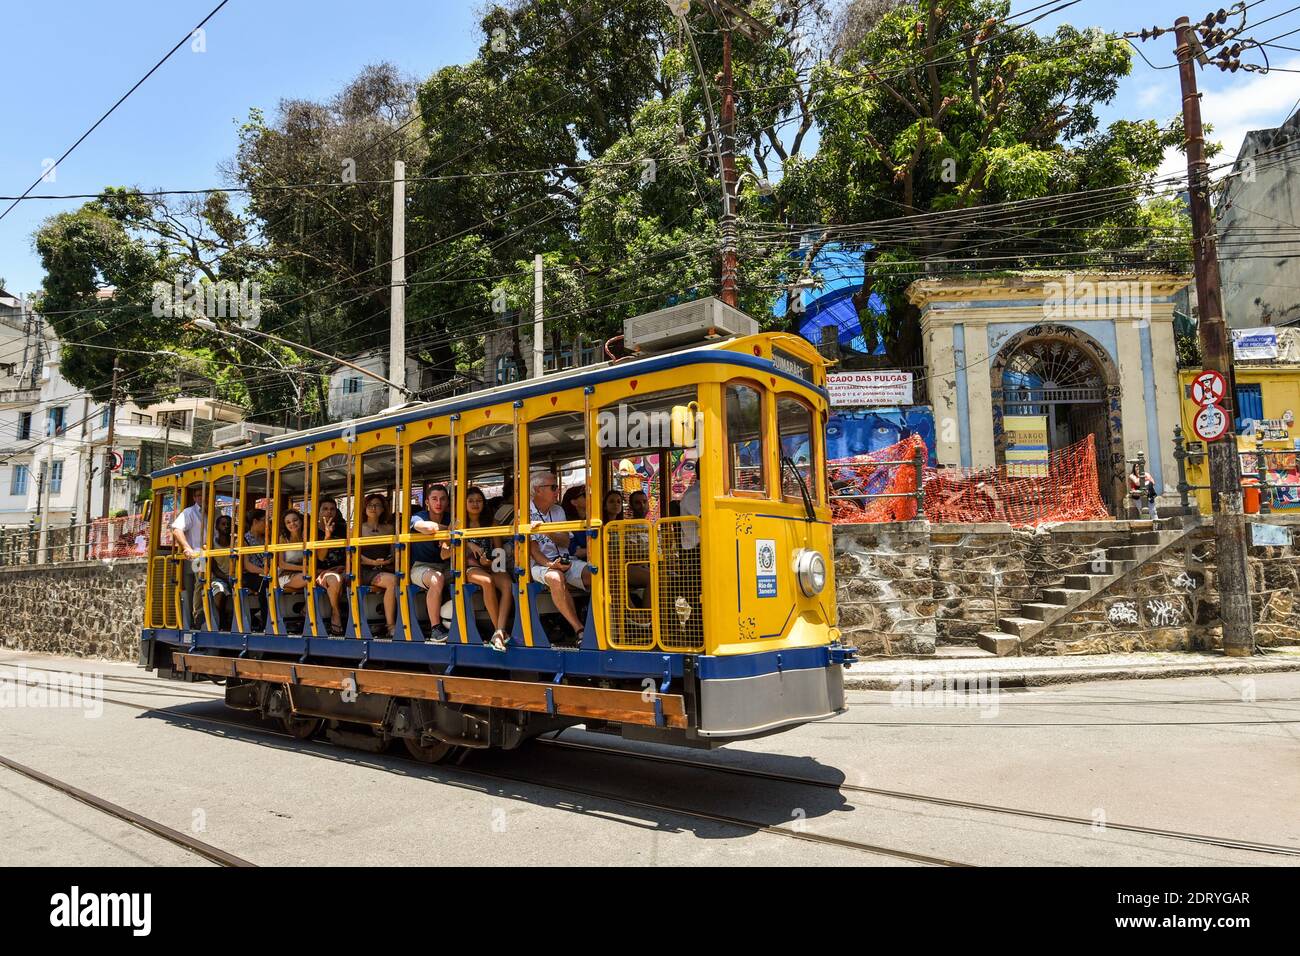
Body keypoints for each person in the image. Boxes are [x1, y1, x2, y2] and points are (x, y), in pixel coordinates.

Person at [528, 470, 590, 644]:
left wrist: (547, 530)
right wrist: (551, 565)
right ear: (538, 489)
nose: (557, 491)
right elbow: (533, 551)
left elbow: (564, 540)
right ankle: (580, 629)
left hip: (564, 560)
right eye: (553, 487)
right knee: (556, 578)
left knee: (595, 573)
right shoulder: (524, 512)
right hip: (540, 565)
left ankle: (603, 624)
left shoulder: (558, 510)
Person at [461, 486, 514, 651]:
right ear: (464, 503)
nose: (475, 504)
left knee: (507, 584)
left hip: (490, 565)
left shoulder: (492, 523)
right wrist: (468, 543)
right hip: (469, 567)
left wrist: (490, 563)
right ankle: (498, 631)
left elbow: (498, 552)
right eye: (471, 501)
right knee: (487, 581)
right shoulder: (459, 523)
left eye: (479, 501)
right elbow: (448, 552)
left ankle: (499, 631)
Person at [409, 481, 451, 642]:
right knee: (437, 578)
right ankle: (435, 629)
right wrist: (447, 530)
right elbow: (427, 528)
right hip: (420, 567)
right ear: (427, 502)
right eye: (434, 499)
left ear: (447, 502)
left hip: (446, 565)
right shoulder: (419, 516)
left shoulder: (451, 518)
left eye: (442, 499)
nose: (438, 503)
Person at [357, 493, 399, 639]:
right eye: (370, 505)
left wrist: (389, 560)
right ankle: (391, 625)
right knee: (393, 581)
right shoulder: (358, 528)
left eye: (377, 505)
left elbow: (394, 551)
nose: (373, 508)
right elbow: (354, 555)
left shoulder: (389, 528)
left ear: (383, 509)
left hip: (385, 567)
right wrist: (373, 562)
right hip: (365, 569)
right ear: (364, 508)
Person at [170, 486, 206, 629]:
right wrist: (186, 548)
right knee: (199, 583)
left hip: (212, 555)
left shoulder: (214, 512)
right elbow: (177, 530)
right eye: (198, 495)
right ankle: (198, 616)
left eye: (203, 495)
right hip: (197, 557)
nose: (201, 498)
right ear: (194, 498)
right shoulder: (189, 512)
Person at [315, 498, 349, 636]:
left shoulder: (342, 528)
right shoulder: (313, 530)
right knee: (335, 579)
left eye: (332, 509)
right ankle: (336, 613)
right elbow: (320, 557)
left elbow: (349, 552)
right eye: (325, 509)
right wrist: (327, 537)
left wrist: (344, 567)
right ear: (318, 512)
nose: (329, 512)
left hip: (342, 569)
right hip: (321, 571)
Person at [241, 508, 269, 630]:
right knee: (266, 585)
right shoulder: (244, 539)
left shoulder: (266, 538)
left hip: (266, 573)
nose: (268, 524)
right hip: (250, 575)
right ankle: (266, 621)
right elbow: (247, 565)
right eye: (265, 521)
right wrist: (264, 572)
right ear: (255, 521)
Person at [209, 513, 235, 630]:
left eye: (229, 524)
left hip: (236, 576)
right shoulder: (212, 544)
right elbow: (214, 568)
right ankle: (221, 620)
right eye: (223, 524)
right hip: (219, 578)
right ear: (217, 527)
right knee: (219, 590)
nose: (226, 527)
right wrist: (227, 578)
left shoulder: (236, 542)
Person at [561, 485, 589, 560]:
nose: (590, 497)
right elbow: (575, 552)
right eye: (585, 495)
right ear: (574, 502)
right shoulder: (567, 523)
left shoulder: (592, 519)